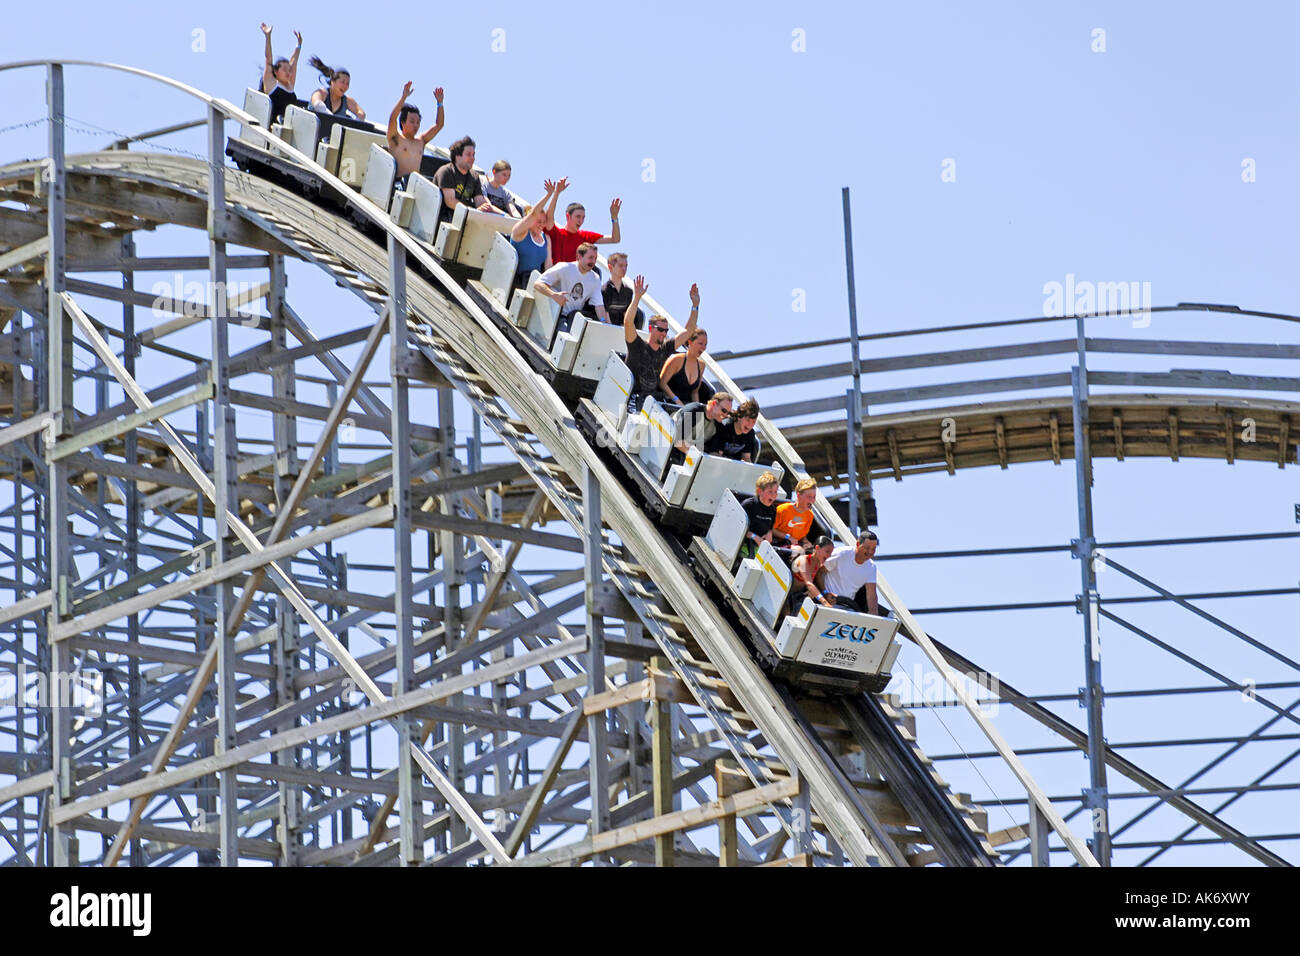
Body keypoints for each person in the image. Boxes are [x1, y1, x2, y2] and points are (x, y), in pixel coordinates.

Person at [622, 278, 700, 408]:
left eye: (666, 331)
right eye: (660, 330)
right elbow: (628, 322)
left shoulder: (665, 349)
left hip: (652, 401)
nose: (664, 334)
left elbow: (689, 331)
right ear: (651, 328)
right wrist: (637, 297)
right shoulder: (637, 345)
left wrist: (695, 305)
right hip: (631, 398)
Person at [533, 243, 607, 335]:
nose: (593, 262)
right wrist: (553, 295)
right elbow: (537, 283)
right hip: (554, 315)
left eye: (595, 258)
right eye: (590, 257)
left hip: (572, 319)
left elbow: (599, 305)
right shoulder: (564, 268)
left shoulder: (595, 279)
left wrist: (604, 322)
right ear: (579, 256)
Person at [543, 180, 621, 262]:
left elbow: (615, 239)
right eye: (578, 217)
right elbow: (549, 217)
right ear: (568, 216)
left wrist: (614, 217)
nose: (581, 220)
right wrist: (557, 193)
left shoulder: (585, 236)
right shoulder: (557, 233)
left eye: (583, 217)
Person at [386, 82, 445, 181]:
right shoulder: (396, 138)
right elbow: (392, 119)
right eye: (412, 122)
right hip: (398, 183)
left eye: (418, 122)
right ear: (403, 123)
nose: (416, 125)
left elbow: (439, 125)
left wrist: (440, 103)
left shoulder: (421, 141)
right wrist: (403, 97)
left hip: (415, 185)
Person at [434, 136, 498, 221]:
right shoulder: (446, 171)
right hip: (443, 216)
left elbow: (479, 201)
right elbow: (450, 201)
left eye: (473, 155)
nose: (472, 158)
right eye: (468, 154)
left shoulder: (474, 176)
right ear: (457, 156)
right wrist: (472, 212)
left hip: (466, 218)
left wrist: (485, 208)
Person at [817, 531, 880, 615]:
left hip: (848, 608)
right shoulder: (842, 554)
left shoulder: (871, 567)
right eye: (867, 548)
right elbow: (819, 572)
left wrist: (874, 614)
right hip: (826, 603)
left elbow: (872, 595)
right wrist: (825, 593)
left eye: (873, 549)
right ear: (858, 544)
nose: (870, 552)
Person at [509, 181, 556, 289]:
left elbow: (548, 266)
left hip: (533, 282)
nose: (542, 225)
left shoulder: (546, 239)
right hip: (516, 281)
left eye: (544, 222)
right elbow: (534, 214)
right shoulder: (519, 232)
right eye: (538, 221)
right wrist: (548, 195)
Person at [581, 251, 644, 328]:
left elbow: (626, 316)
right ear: (611, 267)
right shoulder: (604, 290)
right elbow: (605, 316)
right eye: (620, 266)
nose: (624, 269)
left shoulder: (628, 292)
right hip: (607, 328)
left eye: (626, 266)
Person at [259, 23, 303, 124]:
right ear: (275, 71)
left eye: (289, 70)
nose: (288, 72)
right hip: (272, 128)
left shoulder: (290, 85)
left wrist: (299, 45)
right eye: (284, 69)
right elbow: (268, 59)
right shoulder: (272, 84)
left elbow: (294, 61)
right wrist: (268, 37)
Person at [659, 328, 711, 406]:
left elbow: (694, 392)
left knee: (698, 417)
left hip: (686, 407)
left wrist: (697, 408)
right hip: (668, 403)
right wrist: (677, 401)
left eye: (705, 344)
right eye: (700, 343)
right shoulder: (676, 359)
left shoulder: (701, 365)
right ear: (690, 342)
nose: (703, 348)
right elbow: (662, 383)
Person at [737, 471, 782, 559]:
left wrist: (769, 533)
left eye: (775, 492)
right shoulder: (748, 505)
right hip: (742, 543)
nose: (773, 496)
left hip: (759, 546)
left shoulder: (772, 510)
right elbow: (737, 526)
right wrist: (754, 537)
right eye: (770, 492)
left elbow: (769, 528)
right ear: (759, 491)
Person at [772, 477, 819, 554]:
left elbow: (802, 536)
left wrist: (806, 543)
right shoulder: (783, 509)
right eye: (809, 496)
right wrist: (788, 537)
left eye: (814, 497)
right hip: (779, 544)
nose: (812, 500)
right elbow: (772, 530)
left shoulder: (809, 515)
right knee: (799, 551)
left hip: (795, 545)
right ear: (799, 495)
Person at [789, 537, 836, 612]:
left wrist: (826, 594)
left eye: (831, 553)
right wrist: (824, 602)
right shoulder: (803, 560)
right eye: (827, 552)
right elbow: (809, 583)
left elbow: (814, 583)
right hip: (788, 595)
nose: (829, 556)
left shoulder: (818, 564)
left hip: (799, 596)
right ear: (817, 548)